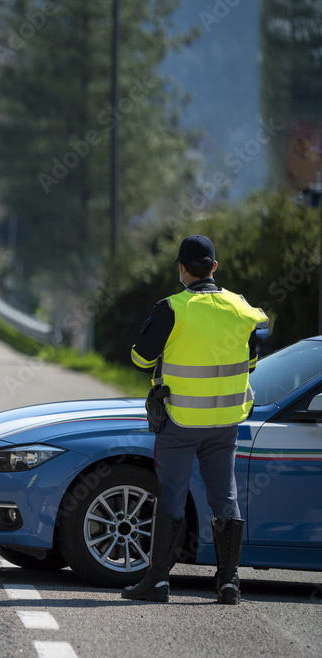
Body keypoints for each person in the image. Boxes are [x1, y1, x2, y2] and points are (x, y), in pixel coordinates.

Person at [123, 234, 268, 604]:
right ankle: (229, 584)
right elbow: (250, 363)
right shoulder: (240, 308)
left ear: (182, 269)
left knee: (171, 495)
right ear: (214, 268)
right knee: (225, 498)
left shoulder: (173, 308)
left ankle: (157, 581)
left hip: (180, 421)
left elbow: (140, 359)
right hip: (225, 423)